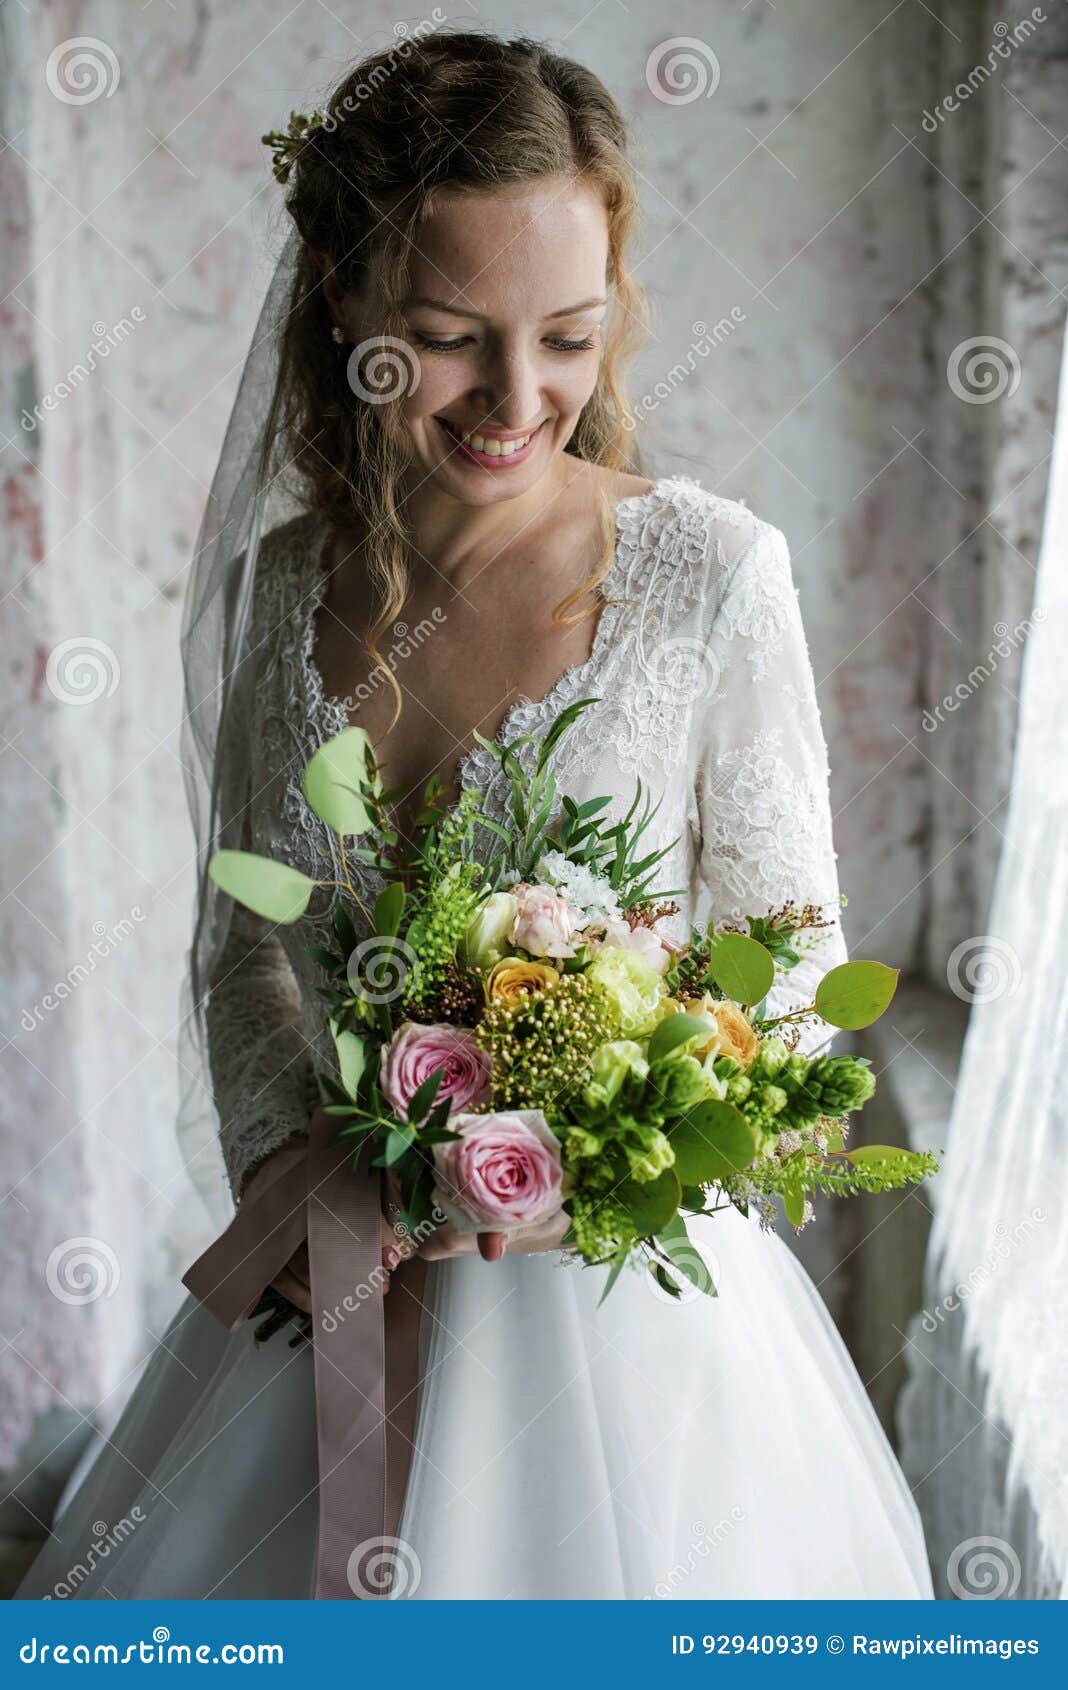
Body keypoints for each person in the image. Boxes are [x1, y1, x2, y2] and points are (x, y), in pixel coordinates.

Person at [15, 30, 933, 1601]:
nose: (522, 399)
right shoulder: (280, 592)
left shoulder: (710, 577)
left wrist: (592, 1133)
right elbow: (247, 946)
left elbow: (791, 960)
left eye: (568, 337)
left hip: (633, 1329)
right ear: (346, 302)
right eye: (452, 336)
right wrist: (289, 1180)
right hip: (335, 1294)